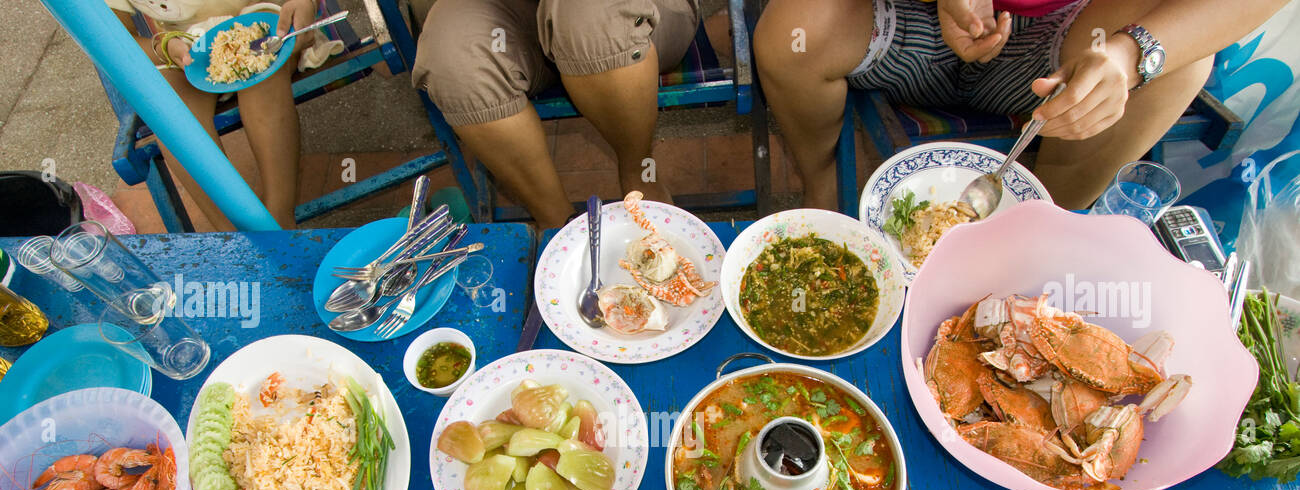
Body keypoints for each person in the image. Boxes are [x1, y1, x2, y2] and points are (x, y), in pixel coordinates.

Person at [754, 0, 1291, 211]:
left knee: (1182, 63)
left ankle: (1040, 224)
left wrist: (1132, 55)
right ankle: (821, 184)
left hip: (1071, 42)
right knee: (793, 31)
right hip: (904, 22)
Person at [412, 0, 702, 230]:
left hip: (624, 16)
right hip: (511, 16)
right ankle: (558, 224)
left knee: (588, 15)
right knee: (452, 54)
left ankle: (639, 175)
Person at [107, 0, 343, 229]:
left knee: (261, 76)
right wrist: (162, 48)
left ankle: (280, 221)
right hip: (184, 44)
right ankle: (237, 237)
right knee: (169, 110)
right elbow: (112, 39)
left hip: (269, 19)